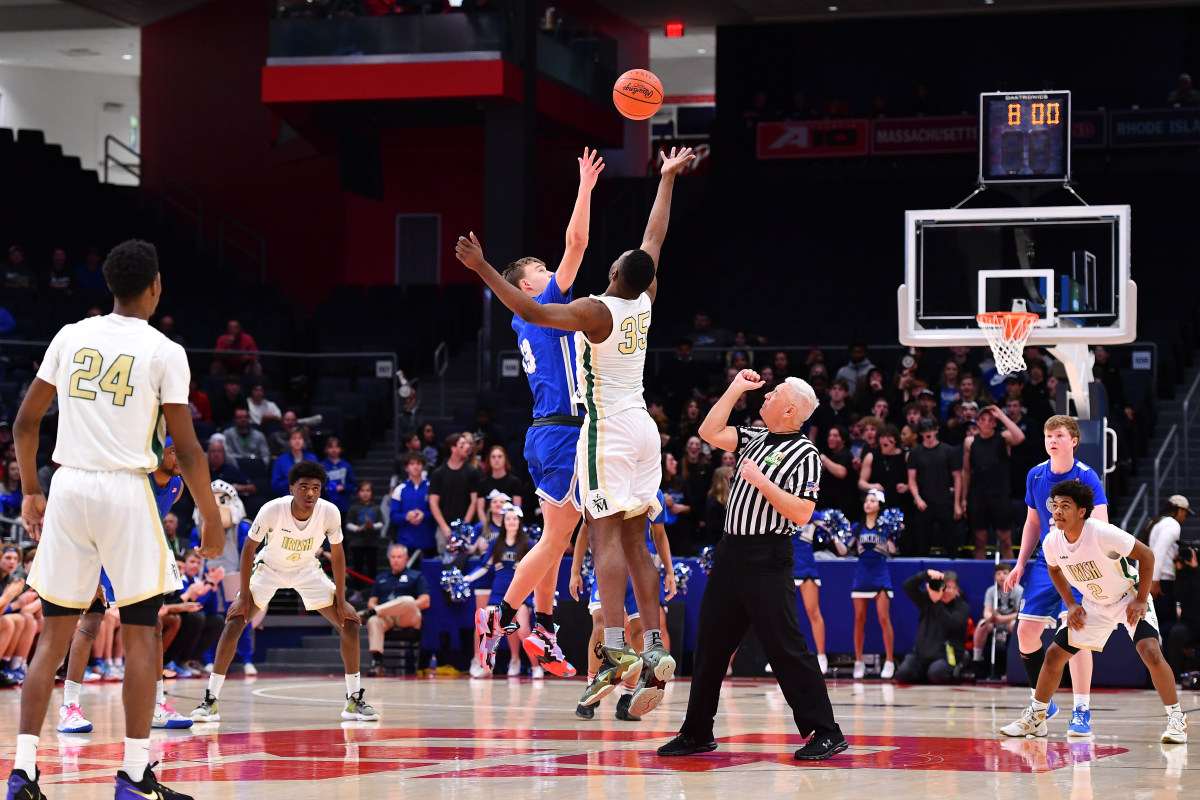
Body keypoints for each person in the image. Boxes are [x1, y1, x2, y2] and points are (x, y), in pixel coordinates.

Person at [459, 146, 695, 712]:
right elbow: (624, 244)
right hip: (598, 427)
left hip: (578, 428)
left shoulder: (588, 308)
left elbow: (603, 249)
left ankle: (545, 625)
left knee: (566, 535)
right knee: (582, 535)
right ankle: (512, 615)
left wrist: (483, 269)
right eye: (539, 271)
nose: (550, 271)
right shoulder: (614, 302)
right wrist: (648, 182)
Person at [7, 239, 223, 800]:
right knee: (142, 635)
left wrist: (32, 489)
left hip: (69, 484)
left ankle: (22, 774)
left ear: (110, 286)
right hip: (126, 491)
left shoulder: (69, 334)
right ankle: (132, 776)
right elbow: (189, 448)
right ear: (154, 286)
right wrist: (209, 513)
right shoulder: (164, 350)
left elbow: (26, 423)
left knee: (51, 639)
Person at [659, 369, 847, 761]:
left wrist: (762, 482)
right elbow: (711, 431)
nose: (767, 394)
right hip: (730, 554)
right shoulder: (755, 437)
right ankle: (697, 732)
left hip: (767, 557)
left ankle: (826, 731)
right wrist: (735, 388)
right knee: (710, 645)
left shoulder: (806, 453)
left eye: (774, 392)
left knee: (785, 647)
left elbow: (801, 513)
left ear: (790, 409)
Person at [190, 461, 379, 724]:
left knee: (349, 623)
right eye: (304, 487)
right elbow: (248, 550)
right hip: (270, 568)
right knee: (235, 622)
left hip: (306, 569)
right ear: (292, 488)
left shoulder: (330, 513)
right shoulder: (273, 509)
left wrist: (343, 600)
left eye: (315, 488)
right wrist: (244, 596)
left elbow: (338, 554)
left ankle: (354, 700)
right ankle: (210, 702)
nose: (310, 493)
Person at [1001, 480, 1188, 744]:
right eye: (1055, 505)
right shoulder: (1053, 541)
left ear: (1082, 511)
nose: (1057, 511)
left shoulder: (1103, 533)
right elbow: (1054, 569)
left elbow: (1146, 556)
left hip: (1128, 597)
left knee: (1150, 651)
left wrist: (1141, 600)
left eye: (1065, 506)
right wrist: (1071, 604)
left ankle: (1176, 720)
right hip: (1093, 603)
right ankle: (1036, 717)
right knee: (1054, 654)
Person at [1004, 415, 1107, 738]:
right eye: (1048, 434)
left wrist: (1094, 565)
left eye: (1059, 435)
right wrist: (1020, 563)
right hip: (1046, 561)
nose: (1052, 440)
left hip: (1079, 563)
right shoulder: (1036, 474)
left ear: (1073, 440)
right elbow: (1032, 523)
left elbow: (1101, 523)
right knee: (1026, 632)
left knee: (1075, 633)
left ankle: (1081, 711)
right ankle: (1042, 705)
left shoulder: (1087, 477)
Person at [570, 493, 676, 721]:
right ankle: (593, 685)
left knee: (638, 632)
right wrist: (575, 570)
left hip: (638, 570)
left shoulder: (651, 488)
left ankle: (627, 695)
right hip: (608, 567)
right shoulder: (605, 481)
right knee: (600, 626)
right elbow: (585, 530)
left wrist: (669, 570)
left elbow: (659, 534)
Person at [466, 504, 538, 677]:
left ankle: (536, 667)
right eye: (508, 519)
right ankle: (486, 667)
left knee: (522, 631)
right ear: (504, 522)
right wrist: (467, 578)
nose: (511, 522)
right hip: (498, 592)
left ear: (519, 521)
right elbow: (484, 567)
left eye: (514, 519)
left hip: (520, 592)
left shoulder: (528, 543)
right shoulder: (495, 542)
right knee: (486, 625)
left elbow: (538, 569)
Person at [841, 489, 897, 679]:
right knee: (859, 619)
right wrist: (834, 534)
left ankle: (889, 661)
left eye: (873, 501)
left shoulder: (885, 526)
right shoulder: (857, 527)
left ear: (879, 506)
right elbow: (844, 550)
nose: (868, 503)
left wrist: (891, 532)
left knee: (883, 618)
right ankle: (858, 662)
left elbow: (893, 550)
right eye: (867, 500)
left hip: (881, 574)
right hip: (862, 575)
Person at [962, 404, 1026, 560]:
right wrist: (963, 499)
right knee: (979, 541)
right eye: (982, 420)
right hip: (978, 496)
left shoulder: (1003, 438)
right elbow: (965, 471)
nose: (985, 423)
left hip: (1000, 496)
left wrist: (1001, 415)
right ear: (977, 422)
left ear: (994, 423)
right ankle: (980, 580)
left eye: (990, 420)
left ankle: (1011, 582)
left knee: (1005, 541)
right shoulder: (970, 442)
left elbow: (1020, 437)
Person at [362, 543, 430, 677]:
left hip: (408, 617)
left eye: (399, 557)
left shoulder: (416, 576)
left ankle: (373, 613)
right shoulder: (381, 578)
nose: (396, 560)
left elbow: (425, 601)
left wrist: (400, 605)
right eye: (393, 557)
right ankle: (377, 662)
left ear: (406, 558)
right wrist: (386, 609)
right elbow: (371, 602)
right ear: (389, 559)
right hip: (387, 617)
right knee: (374, 619)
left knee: (408, 600)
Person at [895, 568, 970, 684]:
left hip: (947, 655)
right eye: (943, 587)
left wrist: (937, 603)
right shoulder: (927, 600)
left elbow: (951, 624)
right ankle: (926, 673)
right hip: (921, 655)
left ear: (957, 590)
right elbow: (908, 586)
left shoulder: (962, 607)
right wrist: (925, 575)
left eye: (950, 588)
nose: (945, 591)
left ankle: (955, 669)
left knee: (936, 674)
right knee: (903, 674)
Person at [907, 418, 962, 556]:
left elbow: (957, 477)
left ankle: (953, 572)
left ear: (936, 430)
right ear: (920, 433)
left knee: (951, 542)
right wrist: (917, 498)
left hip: (945, 502)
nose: (928, 433)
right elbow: (911, 479)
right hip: (924, 503)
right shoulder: (915, 453)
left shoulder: (948, 450)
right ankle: (923, 574)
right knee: (922, 544)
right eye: (924, 430)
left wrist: (957, 503)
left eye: (930, 429)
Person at [1142, 495, 1189, 641]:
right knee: (1167, 626)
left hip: (1150, 578)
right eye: (1185, 513)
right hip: (1161, 582)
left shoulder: (1155, 522)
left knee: (1153, 625)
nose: (1185, 518)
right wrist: (1154, 582)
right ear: (1179, 510)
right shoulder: (1172, 525)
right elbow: (1158, 552)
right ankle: (1167, 661)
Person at [428, 432, 481, 551]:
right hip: (444, 528)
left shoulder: (472, 471)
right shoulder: (438, 473)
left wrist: (463, 527)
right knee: (443, 562)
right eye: (462, 444)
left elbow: (474, 501)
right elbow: (433, 503)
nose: (467, 447)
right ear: (453, 448)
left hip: (467, 527)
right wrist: (444, 527)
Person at [970, 563, 1023, 678]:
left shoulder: (1019, 590)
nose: (1002, 576)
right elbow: (986, 611)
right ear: (994, 577)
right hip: (995, 623)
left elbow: (1020, 614)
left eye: (1005, 573)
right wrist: (991, 618)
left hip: (1010, 622)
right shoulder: (991, 591)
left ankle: (1016, 661)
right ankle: (976, 661)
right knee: (981, 624)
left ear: (1011, 575)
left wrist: (1002, 619)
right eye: (998, 573)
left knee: (1015, 625)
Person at [389, 452, 437, 558]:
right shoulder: (399, 489)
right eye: (412, 464)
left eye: (418, 463)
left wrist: (424, 515)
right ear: (406, 467)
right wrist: (405, 516)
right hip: (406, 543)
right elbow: (393, 516)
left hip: (428, 542)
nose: (415, 467)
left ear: (423, 466)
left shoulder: (431, 487)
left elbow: (438, 514)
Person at [345, 481, 383, 590]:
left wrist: (373, 526)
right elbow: (348, 524)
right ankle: (357, 591)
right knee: (358, 568)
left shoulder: (376, 508)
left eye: (368, 491)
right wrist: (358, 528)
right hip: (357, 543)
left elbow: (382, 523)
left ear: (372, 493)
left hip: (372, 542)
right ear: (358, 493)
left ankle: (373, 591)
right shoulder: (354, 508)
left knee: (372, 568)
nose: (365, 493)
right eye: (362, 491)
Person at [474, 445, 522, 522]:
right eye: (493, 457)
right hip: (488, 527)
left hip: (509, 525)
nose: (496, 459)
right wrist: (487, 527)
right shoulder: (483, 483)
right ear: (489, 460)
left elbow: (517, 508)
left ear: (505, 459)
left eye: (500, 456)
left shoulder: (514, 482)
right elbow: (480, 509)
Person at [270, 428, 317, 497]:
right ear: (289, 441)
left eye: (300, 438)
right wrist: (293, 480)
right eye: (294, 438)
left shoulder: (312, 459)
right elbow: (275, 487)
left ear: (303, 441)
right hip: (287, 499)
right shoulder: (280, 461)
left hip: (309, 497)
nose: (297, 441)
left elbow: (320, 481)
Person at [320, 436, 356, 516]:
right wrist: (325, 488)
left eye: (336, 447)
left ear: (340, 449)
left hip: (342, 505)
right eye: (331, 447)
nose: (334, 450)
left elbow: (352, 485)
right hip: (325, 505)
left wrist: (343, 487)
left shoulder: (346, 466)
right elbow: (317, 485)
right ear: (326, 449)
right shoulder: (321, 466)